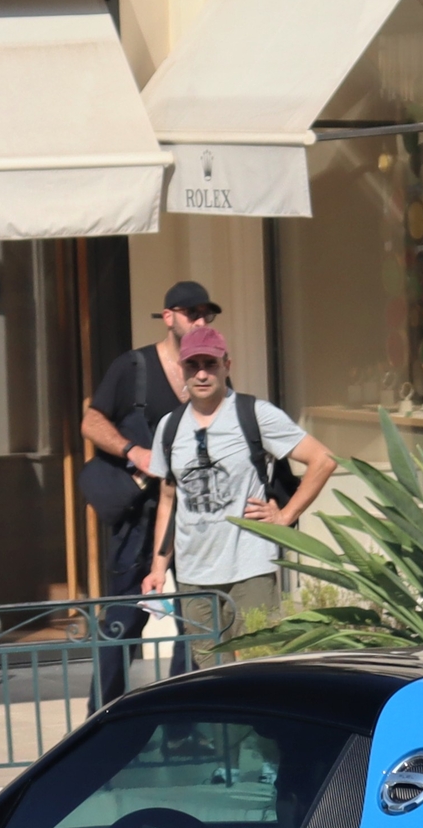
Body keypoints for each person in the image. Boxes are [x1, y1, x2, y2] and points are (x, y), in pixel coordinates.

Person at [143, 325, 337, 650]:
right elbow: (167, 501)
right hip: (193, 576)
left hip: (250, 570)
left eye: (210, 364)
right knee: (209, 670)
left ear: (227, 366)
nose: (201, 374)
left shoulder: (255, 414)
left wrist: (285, 516)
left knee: (255, 664)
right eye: (193, 365)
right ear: (181, 369)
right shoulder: (169, 426)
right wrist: (158, 567)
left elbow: (323, 460)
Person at [76, 280, 217, 708]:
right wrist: (132, 451)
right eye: (192, 312)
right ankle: (103, 714)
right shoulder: (133, 367)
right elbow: (91, 422)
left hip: (192, 513)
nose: (200, 320)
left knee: (195, 620)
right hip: (139, 515)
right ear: (168, 317)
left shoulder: (207, 370)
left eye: (207, 313)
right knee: (124, 620)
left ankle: (180, 717)